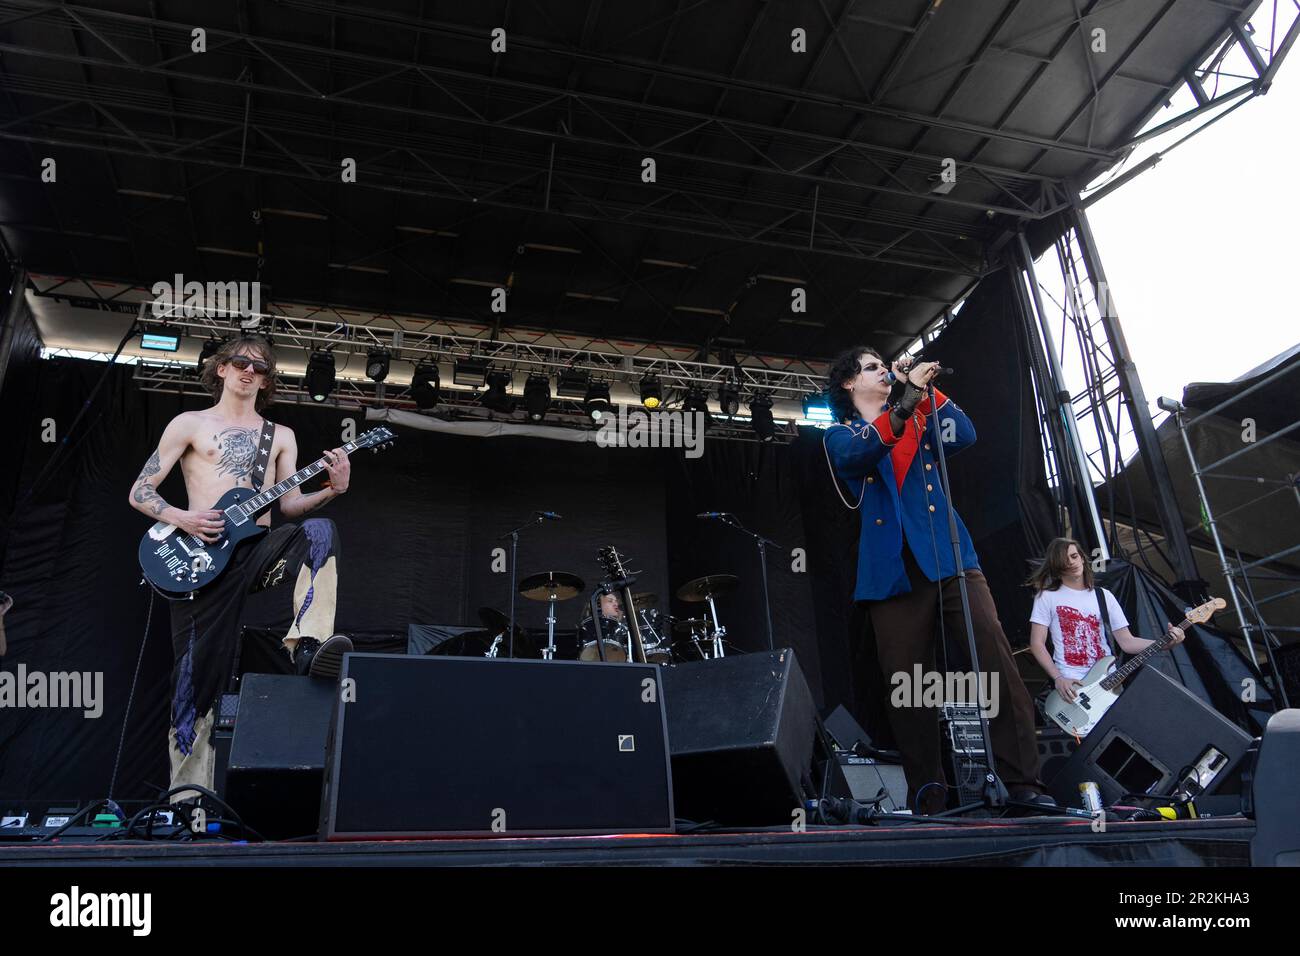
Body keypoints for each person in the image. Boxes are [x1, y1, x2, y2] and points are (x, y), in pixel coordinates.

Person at [127, 334, 354, 799]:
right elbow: (140, 491)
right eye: (241, 362)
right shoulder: (189, 423)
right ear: (222, 368)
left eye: (262, 367)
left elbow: (289, 505)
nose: (251, 371)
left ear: (268, 380)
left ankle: (308, 644)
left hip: (255, 553)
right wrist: (181, 516)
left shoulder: (281, 436)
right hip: (200, 560)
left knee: (321, 531)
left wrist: (333, 488)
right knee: (195, 683)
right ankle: (188, 801)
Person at [822, 346, 1047, 813]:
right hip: (892, 572)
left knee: (996, 660)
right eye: (870, 367)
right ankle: (931, 795)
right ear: (848, 383)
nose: (883, 370)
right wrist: (906, 399)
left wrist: (925, 392)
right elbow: (859, 456)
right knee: (909, 688)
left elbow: (964, 434)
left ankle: (1025, 783)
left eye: (885, 364)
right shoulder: (840, 434)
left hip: (950, 558)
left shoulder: (920, 418)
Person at [1027, 537, 1185, 704]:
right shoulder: (1047, 597)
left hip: (1109, 682)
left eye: (1074, 556)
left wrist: (1165, 643)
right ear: (1056, 566)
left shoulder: (1104, 596)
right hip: (1072, 684)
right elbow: (1037, 643)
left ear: (1082, 557)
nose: (1071, 563)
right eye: (1064, 560)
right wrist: (1058, 678)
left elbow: (1127, 642)